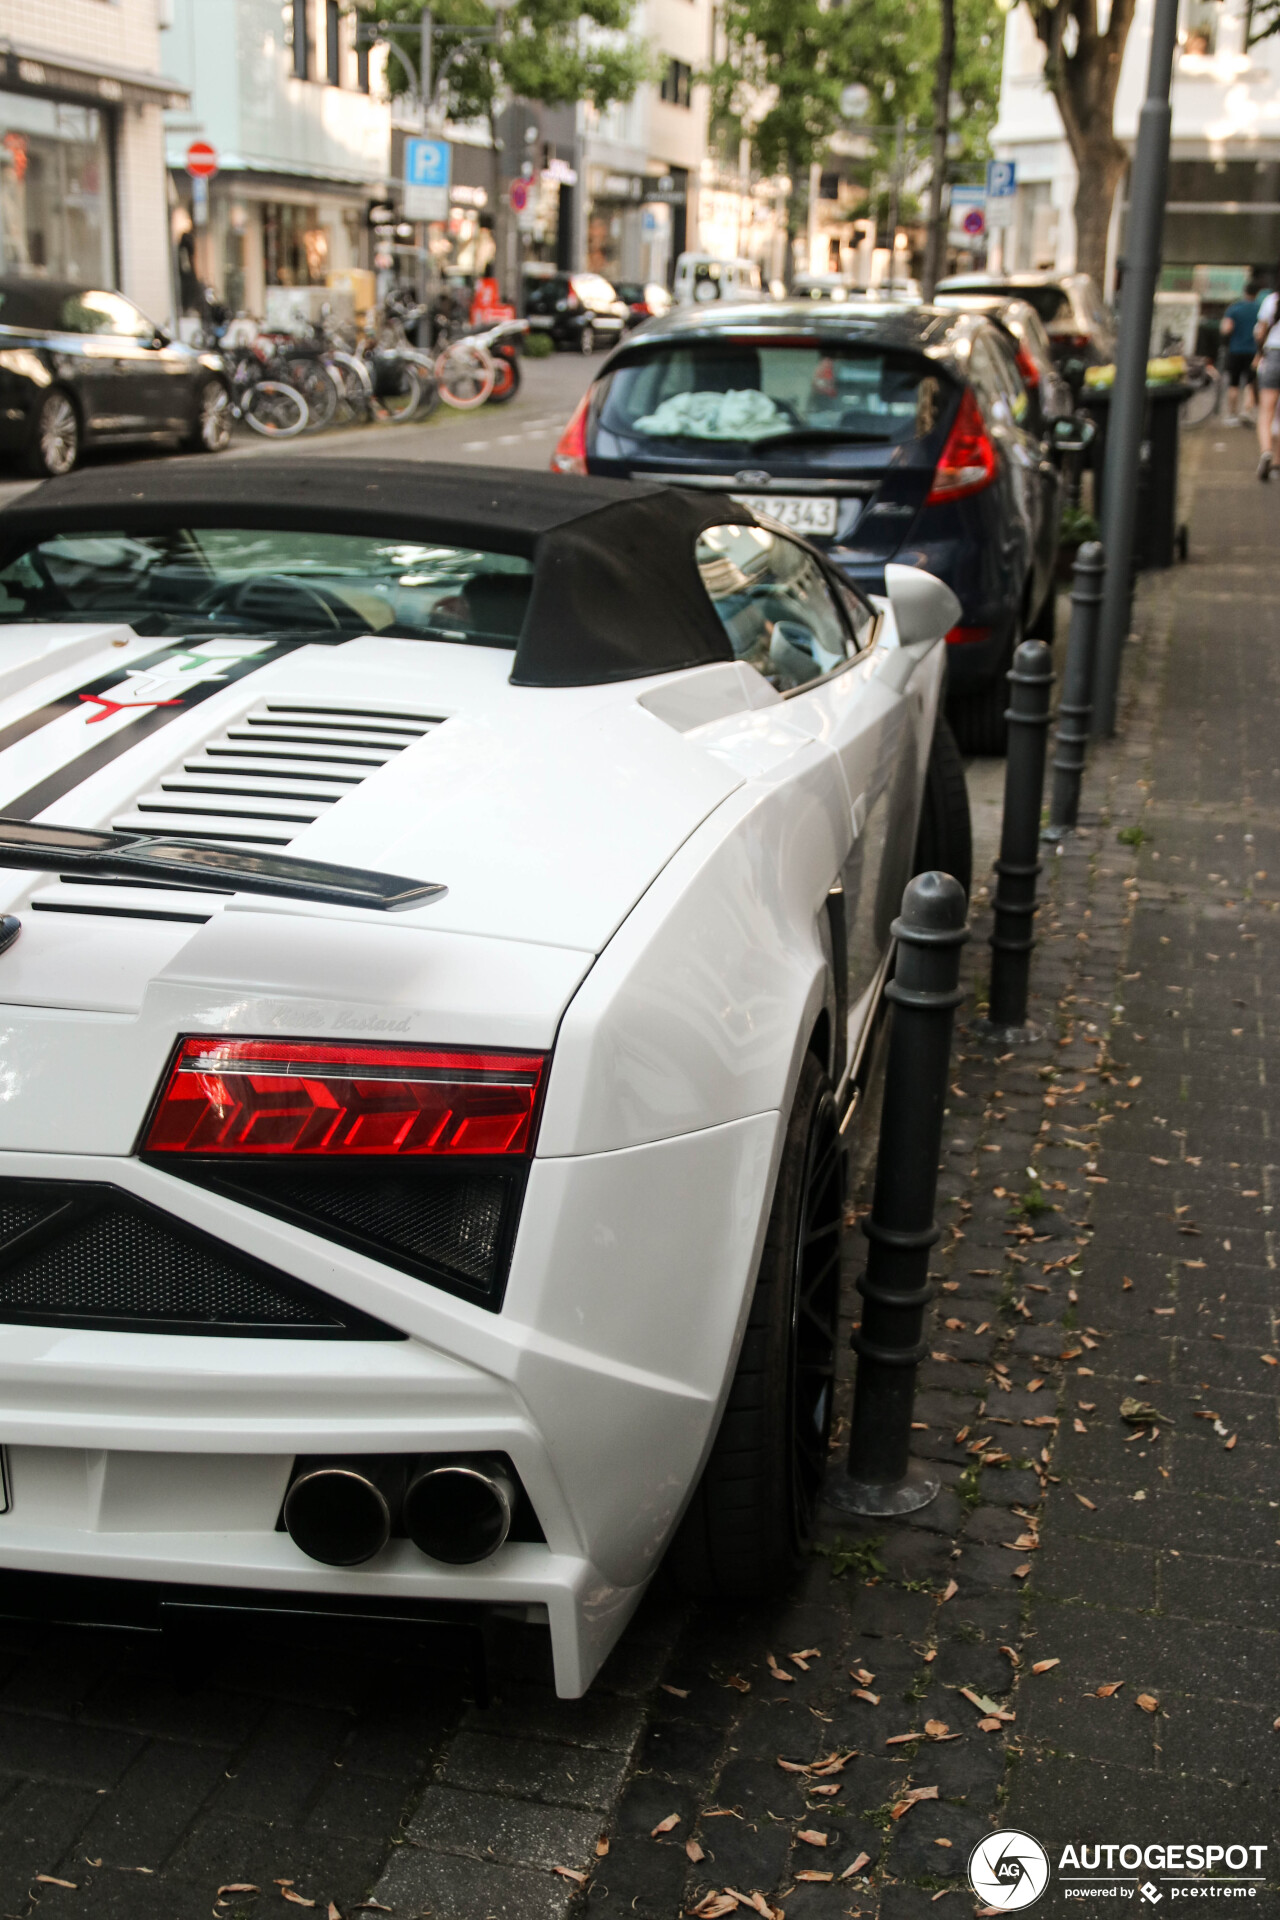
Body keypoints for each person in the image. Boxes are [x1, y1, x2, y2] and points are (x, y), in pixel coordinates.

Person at [1220, 279, 1262, 425]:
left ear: (1244, 292)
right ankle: (1247, 410)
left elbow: (1226, 328)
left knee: (1234, 383)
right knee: (1250, 382)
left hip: (1236, 349)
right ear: (1257, 293)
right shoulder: (1260, 308)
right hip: (1253, 351)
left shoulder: (1234, 308)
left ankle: (1232, 415)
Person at [1253, 270, 1280, 479]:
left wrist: (1259, 354)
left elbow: (1261, 332)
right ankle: (1278, 462)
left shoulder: (1271, 300)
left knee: (1266, 411)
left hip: (1273, 356)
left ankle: (1266, 452)